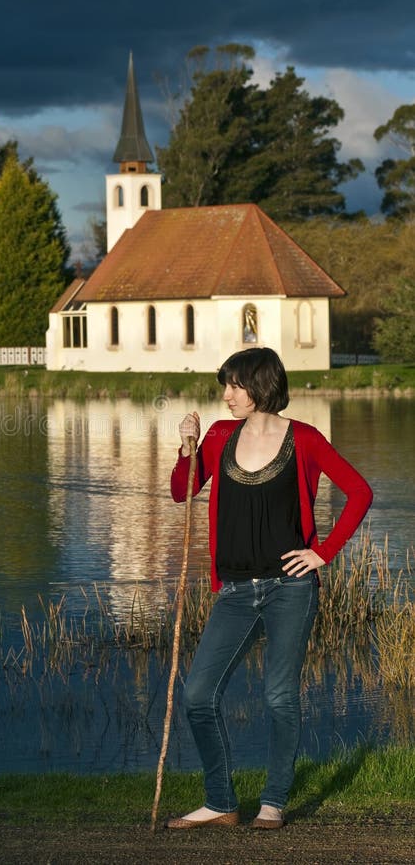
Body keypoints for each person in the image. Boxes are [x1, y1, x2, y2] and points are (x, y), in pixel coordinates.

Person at [167, 347, 373, 831]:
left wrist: (323, 553)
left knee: (279, 695)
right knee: (198, 695)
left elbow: (360, 492)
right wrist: (186, 448)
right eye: (226, 385)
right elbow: (183, 491)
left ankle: (273, 803)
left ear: (260, 387)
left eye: (235, 385)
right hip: (235, 591)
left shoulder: (304, 439)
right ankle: (220, 802)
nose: (226, 394)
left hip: (291, 590)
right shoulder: (218, 436)